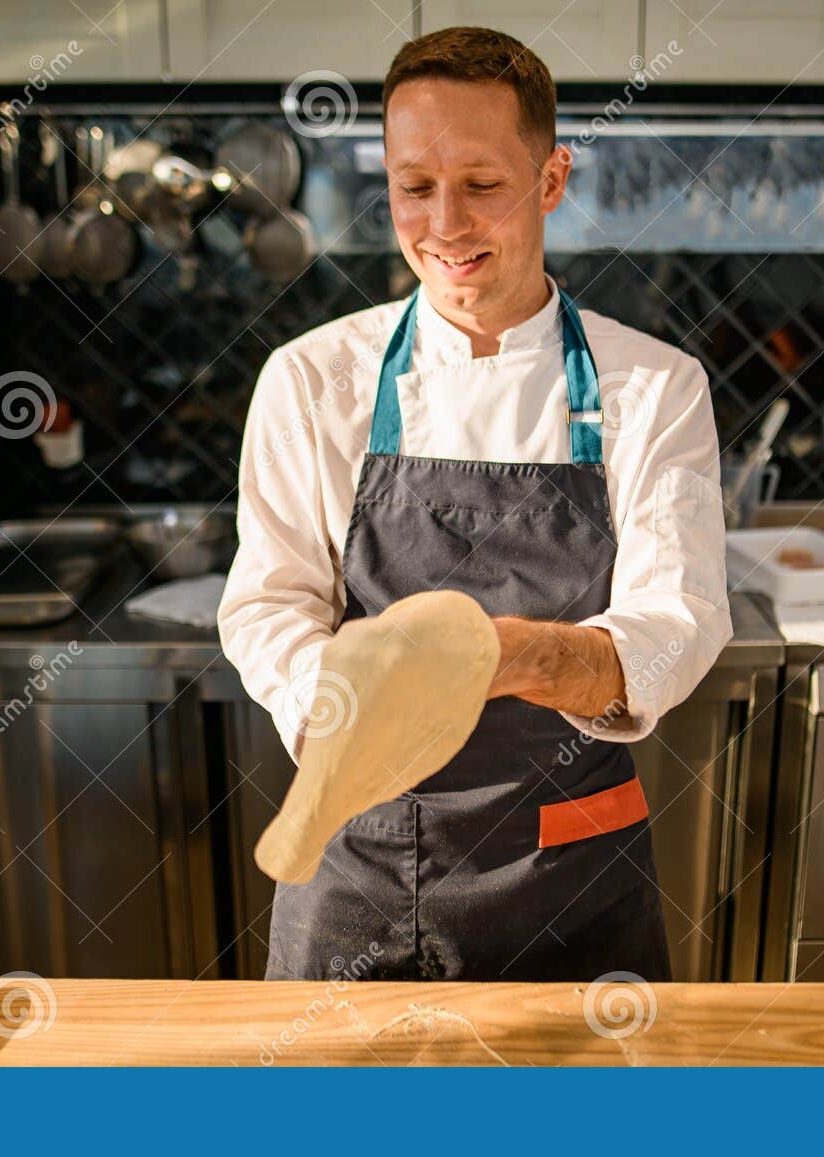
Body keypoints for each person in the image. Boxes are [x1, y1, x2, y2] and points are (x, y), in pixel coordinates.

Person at [219, 26, 731, 982]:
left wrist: (512, 655)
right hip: (355, 863)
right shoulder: (310, 379)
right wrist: (337, 705)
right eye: (415, 187)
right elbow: (267, 605)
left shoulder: (654, 387)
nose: (444, 224)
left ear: (551, 179)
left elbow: (683, 618)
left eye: (483, 185)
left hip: (570, 869)